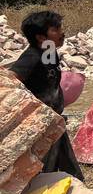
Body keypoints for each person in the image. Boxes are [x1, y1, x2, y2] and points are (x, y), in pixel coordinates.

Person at [7, 10, 84, 180]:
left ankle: (76, 184)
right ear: (41, 37)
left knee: (64, 159)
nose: (62, 32)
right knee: (45, 166)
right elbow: (12, 78)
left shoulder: (49, 53)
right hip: (41, 123)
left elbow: (50, 79)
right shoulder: (32, 56)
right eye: (55, 30)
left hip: (54, 119)